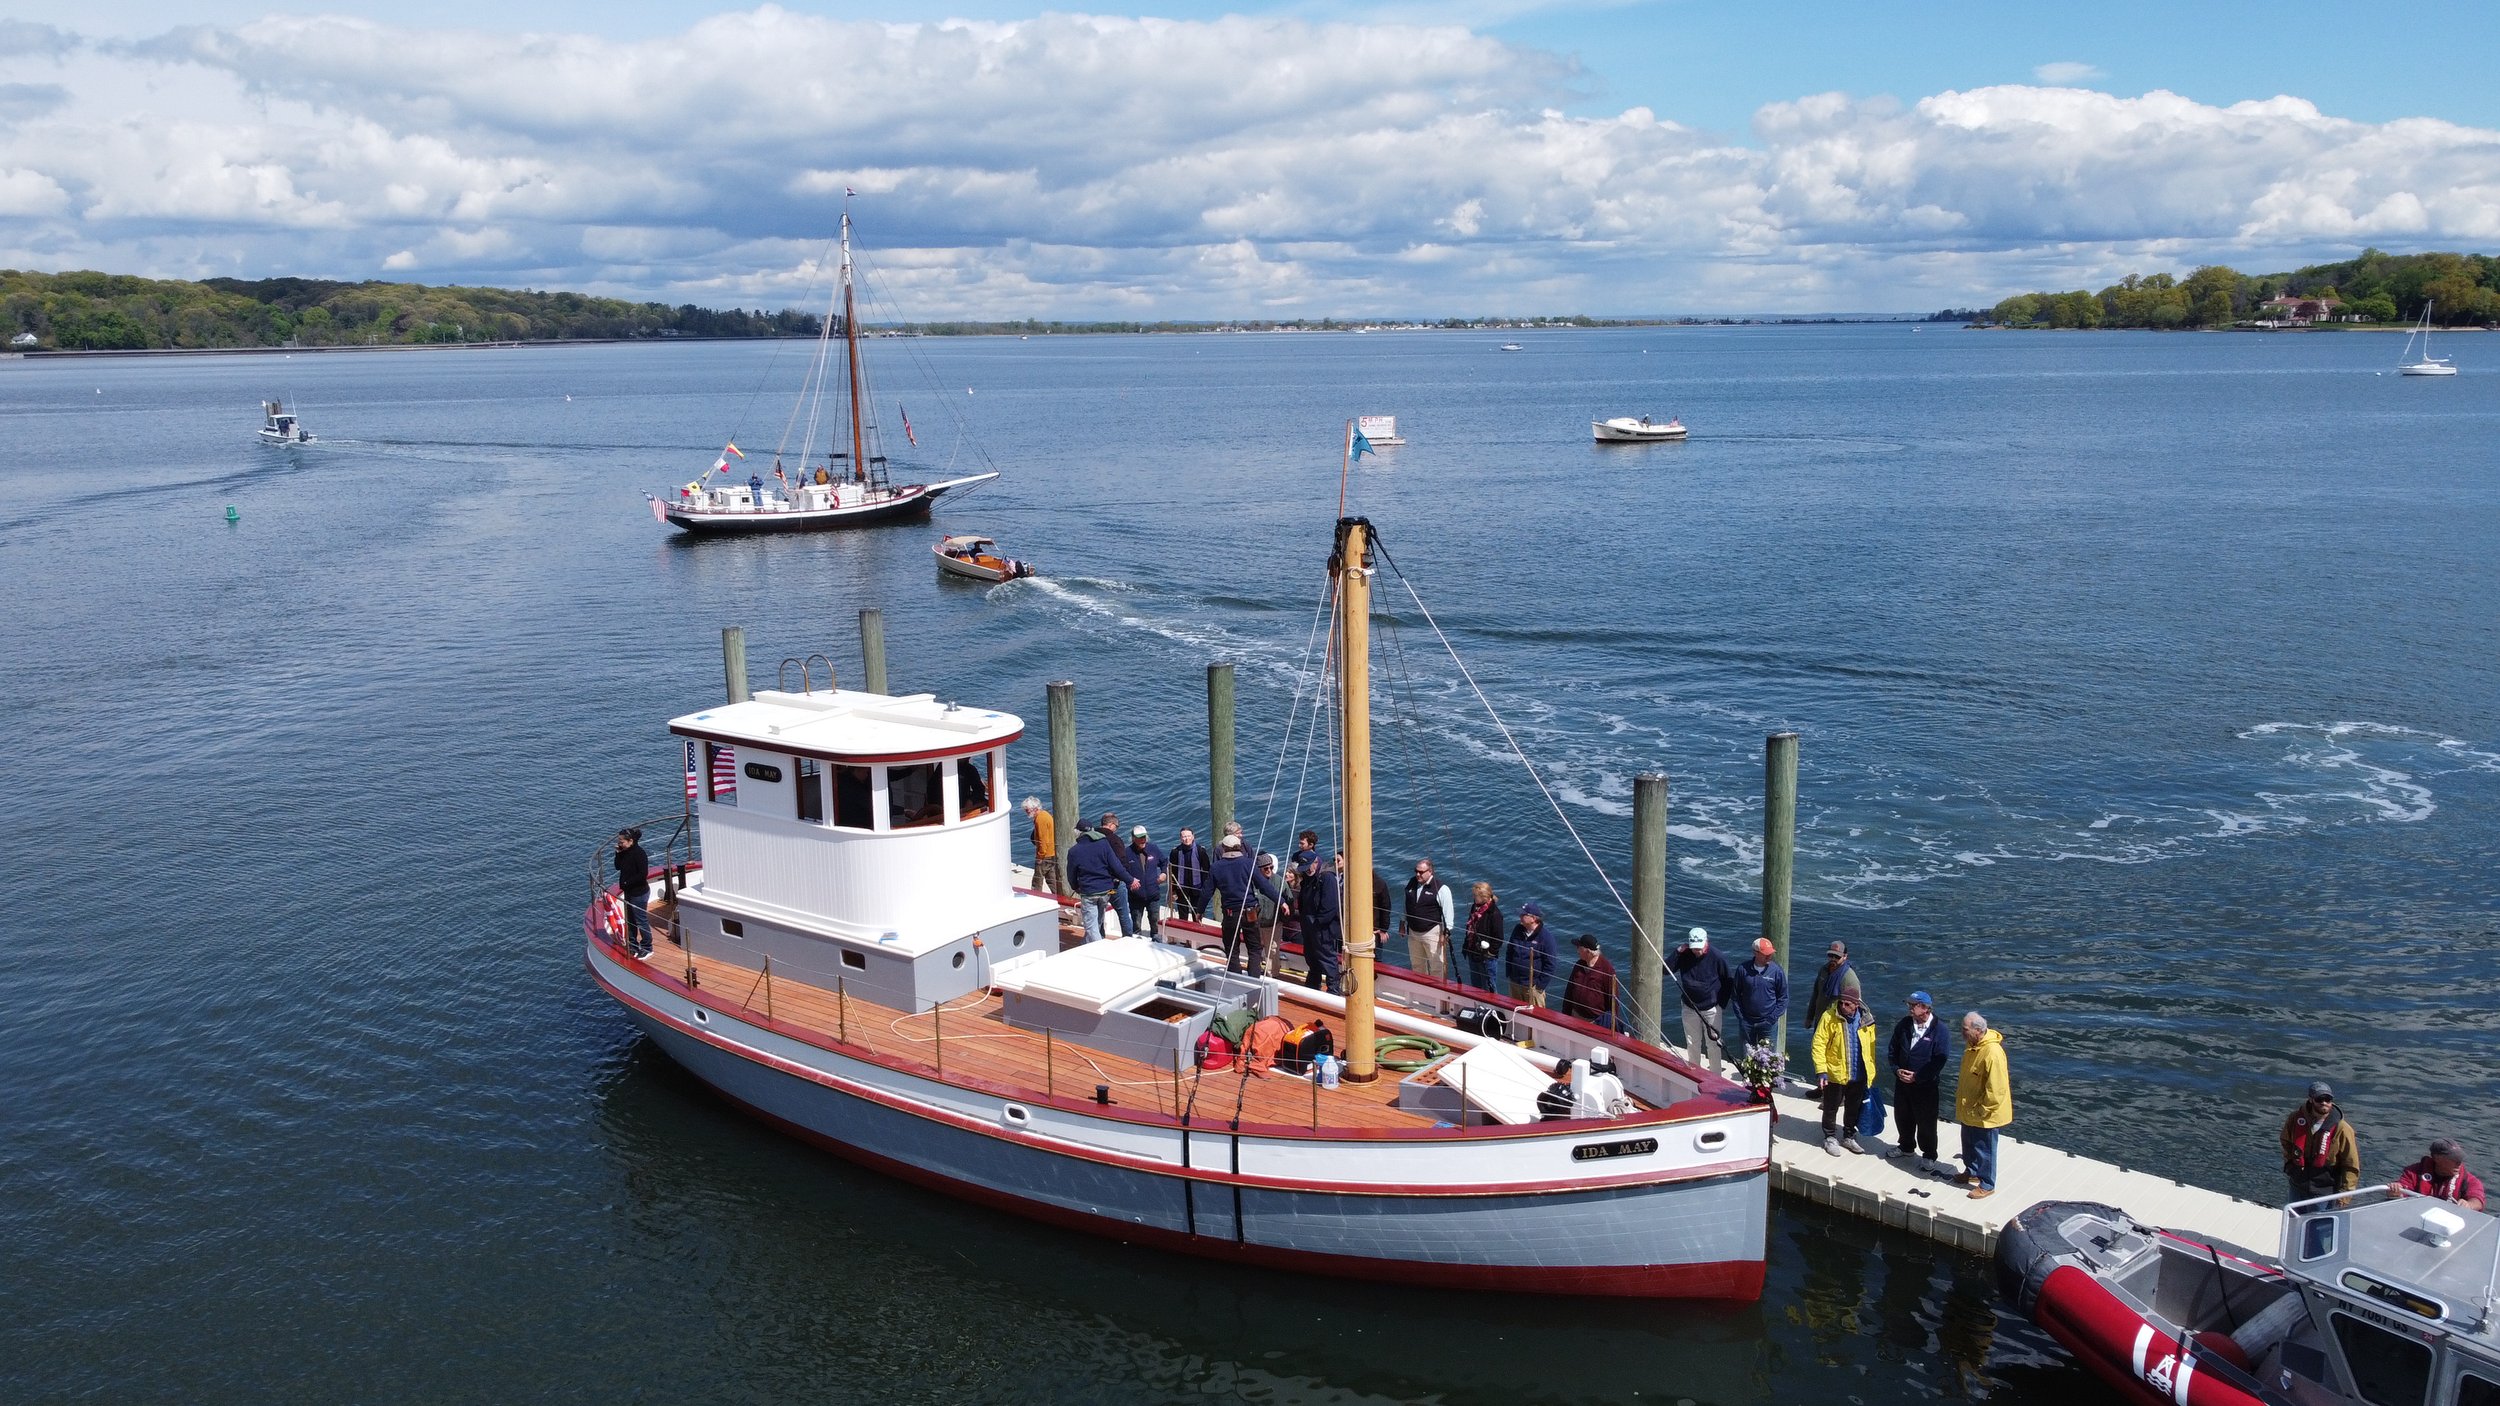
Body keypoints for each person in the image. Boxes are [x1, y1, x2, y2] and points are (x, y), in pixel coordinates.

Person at [1887, 991, 1950, 1171]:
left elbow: (1939, 1060)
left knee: (1926, 1122)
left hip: (1925, 1087)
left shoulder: (1940, 1030)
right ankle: (1906, 1146)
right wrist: (1897, 1070)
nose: (1909, 1009)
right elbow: (1893, 1050)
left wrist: (1917, 1077)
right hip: (1902, 1084)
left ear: (1925, 1008)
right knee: (1902, 1116)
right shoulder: (1904, 1025)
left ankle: (1929, 1154)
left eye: (1913, 1005)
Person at [1955, 1012, 2012, 1200]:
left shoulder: (1992, 1053)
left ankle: (1987, 1183)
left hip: (1984, 1113)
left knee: (1985, 1148)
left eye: (1965, 1030)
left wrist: (1982, 1110)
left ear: (1978, 1031)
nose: (1962, 1033)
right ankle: (1971, 1171)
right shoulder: (1973, 1046)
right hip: (1969, 1108)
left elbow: (1996, 1089)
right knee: (1969, 1142)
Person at [1812, 988, 1876, 1156]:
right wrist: (1821, 1070)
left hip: (1859, 1074)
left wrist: (1871, 1072)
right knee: (1830, 1107)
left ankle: (1849, 1135)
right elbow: (1818, 1044)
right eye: (1841, 1003)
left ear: (1856, 1005)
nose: (1843, 1006)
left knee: (1854, 1107)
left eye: (1847, 1004)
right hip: (1835, 1073)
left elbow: (1871, 1047)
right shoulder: (1829, 1017)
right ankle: (1830, 1137)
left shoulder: (1866, 1019)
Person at [1667, 927, 1737, 1077]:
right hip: (1689, 1007)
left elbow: (1728, 982)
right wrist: (1677, 952)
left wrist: (1720, 1004)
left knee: (1713, 1044)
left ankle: (1716, 1076)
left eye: (1699, 948)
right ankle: (1695, 1074)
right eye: (1693, 948)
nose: (1696, 951)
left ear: (1706, 943)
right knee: (1692, 1043)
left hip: (1711, 1009)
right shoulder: (1684, 954)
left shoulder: (1718, 957)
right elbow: (1666, 969)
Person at [2280, 1082, 2361, 1204]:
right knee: (2294, 1221)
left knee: (2319, 1223)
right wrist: (2290, 1165)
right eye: (2319, 1099)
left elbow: (2351, 1164)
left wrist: (2345, 1195)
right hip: (2297, 1185)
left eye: (2328, 1099)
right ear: (2311, 1100)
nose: (2324, 1103)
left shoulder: (2342, 1128)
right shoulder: (2295, 1119)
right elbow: (2286, 1141)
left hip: (2324, 1191)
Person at [1208, 836, 1278, 973]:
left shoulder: (1216, 867)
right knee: (1254, 947)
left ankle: (1235, 978)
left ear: (1224, 849)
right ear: (1239, 847)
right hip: (1250, 912)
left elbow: (1207, 891)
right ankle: (1254, 978)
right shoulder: (1249, 863)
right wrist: (1280, 901)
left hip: (1230, 914)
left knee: (1232, 947)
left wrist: (1199, 911)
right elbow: (1264, 886)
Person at [1065, 819, 1135, 943]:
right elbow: (1117, 866)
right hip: (1105, 892)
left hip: (1089, 892)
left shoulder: (1074, 851)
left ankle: (1098, 949)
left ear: (1077, 832)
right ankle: (1126, 942)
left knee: (1091, 927)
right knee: (1098, 922)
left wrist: (1075, 887)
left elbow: (1071, 874)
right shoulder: (1103, 844)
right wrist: (1131, 880)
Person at [1298, 851, 1345, 994]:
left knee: (1327, 958)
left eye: (1309, 866)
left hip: (1322, 928)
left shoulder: (1327, 879)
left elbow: (1330, 906)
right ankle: (1313, 984)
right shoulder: (1308, 878)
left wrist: (1318, 923)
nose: (1307, 870)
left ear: (1316, 863)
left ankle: (1333, 989)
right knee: (1311, 956)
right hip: (1309, 926)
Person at [1731, 937, 1787, 1054]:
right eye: (1765, 954)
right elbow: (1735, 995)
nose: (1769, 956)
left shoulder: (1777, 971)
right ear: (1755, 953)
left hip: (1768, 1024)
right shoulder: (1742, 969)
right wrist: (1741, 1017)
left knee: (1768, 1059)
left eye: (1770, 953)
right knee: (1747, 1057)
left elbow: (1783, 998)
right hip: (1747, 1022)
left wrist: (1771, 1018)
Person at [2397, 1139, 2487, 1212]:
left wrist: (2469, 1205)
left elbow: (2477, 1199)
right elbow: (2401, 1189)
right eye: (2454, 1158)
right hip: (2417, 1214)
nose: (2459, 1162)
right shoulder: (2414, 1172)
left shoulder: (2468, 1179)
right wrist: (2395, 1192)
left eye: (2460, 1158)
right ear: (2437, 1158)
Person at [1402, 859, 1455, 981]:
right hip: (1413, 931)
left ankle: (1438, 993)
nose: (1417, 874)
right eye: (1416, 871)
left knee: (1437, 966)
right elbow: (1406, 904)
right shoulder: (1411, 883)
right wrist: (1402, 922)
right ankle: (1421, 992)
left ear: (1430, 871)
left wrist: (1445, 933)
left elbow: (1448, 914)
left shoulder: (1441, 889)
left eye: (1421, 872)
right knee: (1417, 965)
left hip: (1432, 932)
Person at [1505, 901, 1559, 1007]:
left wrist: (1539, 986)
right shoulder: (1517, 930)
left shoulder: (1546, 937)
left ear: (1533, 918)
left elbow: (1550, 964)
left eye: (1523, 915)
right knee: (1514, 1010)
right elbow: (1510, 950)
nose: (1520, 916)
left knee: (1536, 1015)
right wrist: (1509, 972)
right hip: (1515, 982)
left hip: (1532, 987)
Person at [1560, 934, 1619, 1029]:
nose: (1577, 951)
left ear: (1587, 951)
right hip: (1575, 1016)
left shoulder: (1607, 970)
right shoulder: (1579, 965)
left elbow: (1613, 1001)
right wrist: (1565, 1014)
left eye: (1579, 948)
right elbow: (1569, 991)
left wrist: (1612, 1024)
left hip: (1595, 1022)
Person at [1804, 940, 1862, 1035]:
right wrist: (1810, 1017)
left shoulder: (1849, 978)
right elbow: (1816, 994)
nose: (1833, 959)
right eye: (1831, 955)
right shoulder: (1824, 970)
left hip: (1837, 1027)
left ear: (1845, 956)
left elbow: (1856, 1006)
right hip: (1820, 1020)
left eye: (1837, 957)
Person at [1096, 811, 1139, 933]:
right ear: (1110, 825)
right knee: (1123, 914)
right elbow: (1122, 862)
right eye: (1116, 826)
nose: (1116, 829)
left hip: (1098, 883)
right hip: (1114, 884)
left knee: (1099, 915)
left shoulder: (1091, 837)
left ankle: (1100, 940)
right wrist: (1129, 878)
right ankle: (1128, 939)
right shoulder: (1115, 840)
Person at [613, 827, 652, 958]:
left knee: (641, 920)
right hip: (629, 892)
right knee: (630, 920)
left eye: (621, 841)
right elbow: (618, 866)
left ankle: (647, 947)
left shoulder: (639, 853)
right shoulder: (624, 852)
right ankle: (633, 945)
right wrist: (618, 853)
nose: (619, 843)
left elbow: (642, 874)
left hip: (639, 893)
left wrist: (626, 883)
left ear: (631, 841)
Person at [1459, 882, 1504, 994]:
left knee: (1489, 985)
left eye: (1475, 896)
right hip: (1473, 951)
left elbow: (1498, 937)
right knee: (1476, 984)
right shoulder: (1475, 907)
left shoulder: (1494, 914)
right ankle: (1478, 1006)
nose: (1473, 898)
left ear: (1484, 897)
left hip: (1486, 956)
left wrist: (1490, 952)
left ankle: (1492, 1008)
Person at [1125, 826, 1168, 938]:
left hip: (1153, 894)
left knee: (1154, 922)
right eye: (1139, 838)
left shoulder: (1153, 849)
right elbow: (1121, 871)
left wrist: (1164, 873)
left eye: (1144, 837)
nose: (1142, 840)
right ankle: (1136, 939)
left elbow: (1164, 862)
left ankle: (1155, 938)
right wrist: (1129, 882)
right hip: (1135, 896)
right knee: (1136, 923)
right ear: (1133, 838)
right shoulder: (1127, 853)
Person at [1167, 827, 1211, 922]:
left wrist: (1204, 887)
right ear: (1180, 838)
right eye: (1184, 837)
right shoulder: (1175, 852)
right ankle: (1184, 934)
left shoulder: (1200, 851)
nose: (1186, 839)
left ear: (1193, 837)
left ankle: (1197, 931)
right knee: (1183, 914)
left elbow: (1206, 870)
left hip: (1197, 886)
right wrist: (1173, 890)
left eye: (1188, 836)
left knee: (1197, 913)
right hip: (1181, 887)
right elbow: (1172, 872)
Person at [1021, 797, 1061, 896]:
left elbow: (1043, 840)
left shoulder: (1041, 819)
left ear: (1035, 808)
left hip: (1045, 855)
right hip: (1051, 853)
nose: (1026, 812)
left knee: (1037, 880)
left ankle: (1036, 897)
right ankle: (1059, 896)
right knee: (1051, 879)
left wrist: (1040, 856)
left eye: (1027, 810)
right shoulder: (1045, 815)